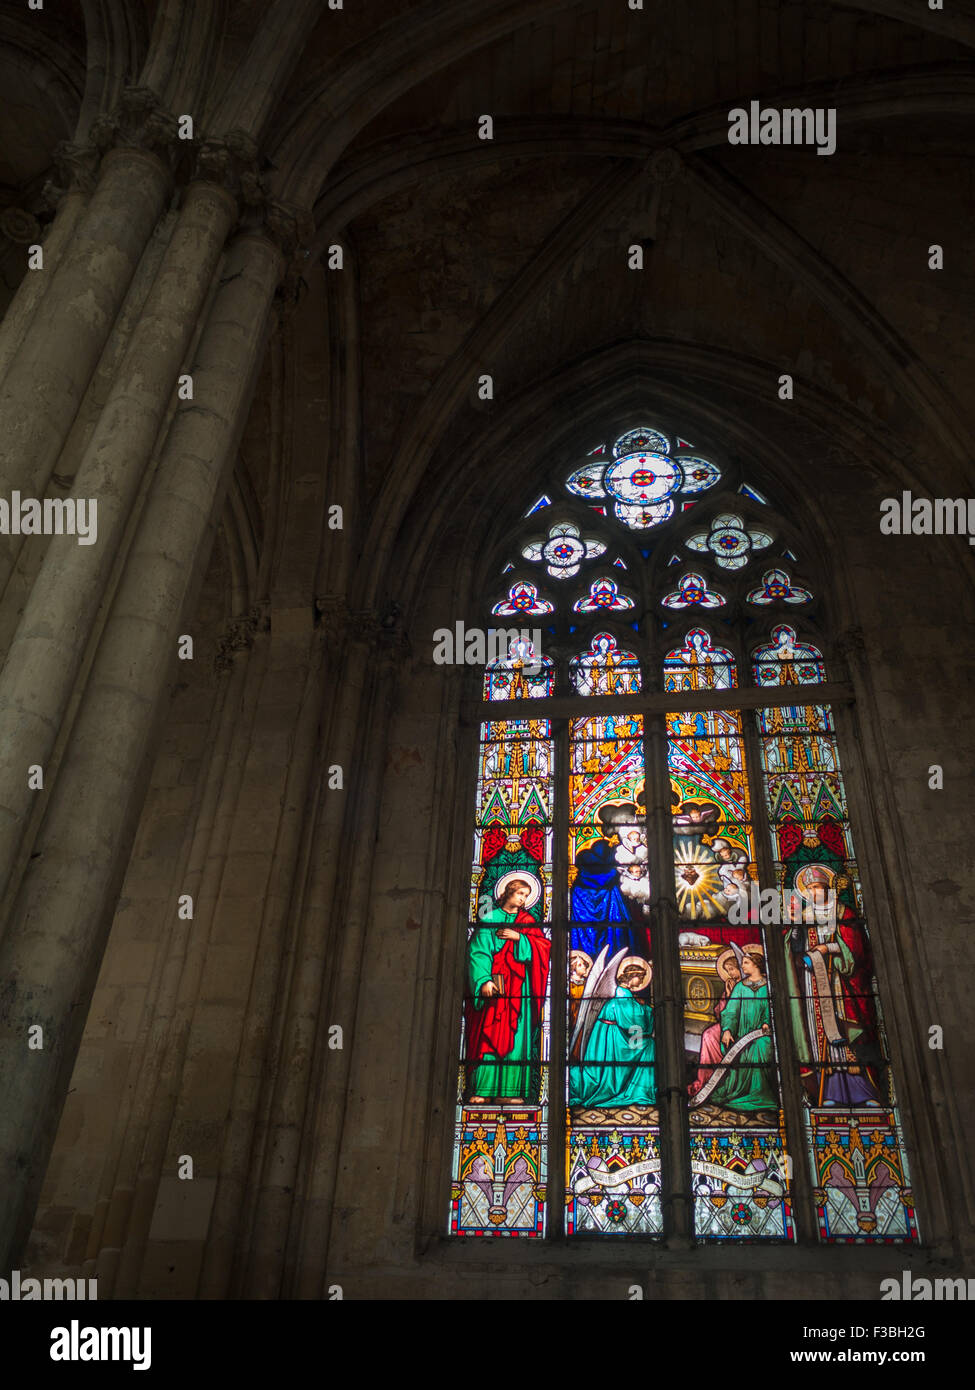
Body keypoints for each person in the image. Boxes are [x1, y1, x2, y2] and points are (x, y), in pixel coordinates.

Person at [465, 875, 551, 1104]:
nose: (522, 899)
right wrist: (483, 980)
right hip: (496, 988)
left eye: (526, 895)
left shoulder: (529, 922)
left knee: (516, 1041)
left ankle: (511, 1092)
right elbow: (478, 951)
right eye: (519, 894)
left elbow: (543, 948)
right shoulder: (490, 918)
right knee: (489, 1035)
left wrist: (520, 938)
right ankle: (482, 1089)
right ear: (507, 893)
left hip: (519, 991)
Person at [569, 958, 656, 1109]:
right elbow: (632, 1021)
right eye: (639, 977)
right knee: (648, 1045)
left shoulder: (624, 993)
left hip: (611, 1035)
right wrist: (649, 1010)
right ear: (631, 976)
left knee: (647, 1044)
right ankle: (639, 1090)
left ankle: (638, 1088)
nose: (641, 981)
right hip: (613, 1038)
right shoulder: (622, 994)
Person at [706, 944, 778, 1112]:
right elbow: (730, 1011)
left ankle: (761, 1093)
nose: (742, 966)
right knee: (741, 1050)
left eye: (745, 963)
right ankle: (742, 1091)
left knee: (762, 1046)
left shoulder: (769, 985)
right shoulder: (740, 987)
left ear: (756, 965)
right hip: (742, 1034)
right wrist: (728, 1030)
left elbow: (774, 1007)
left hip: (764, 1034)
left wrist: (767, 1021)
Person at [688, 946, 741, 1097]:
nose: (730, 973)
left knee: (713, 1034)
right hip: (728, 1023)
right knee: (709, 1034)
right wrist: (728, 995)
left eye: (732, 969)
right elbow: (720, 1012)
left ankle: (724, 1079)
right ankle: (707, 1079)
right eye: (728, 970)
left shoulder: (747, 985)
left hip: (745, 1024)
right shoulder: (730, 985)